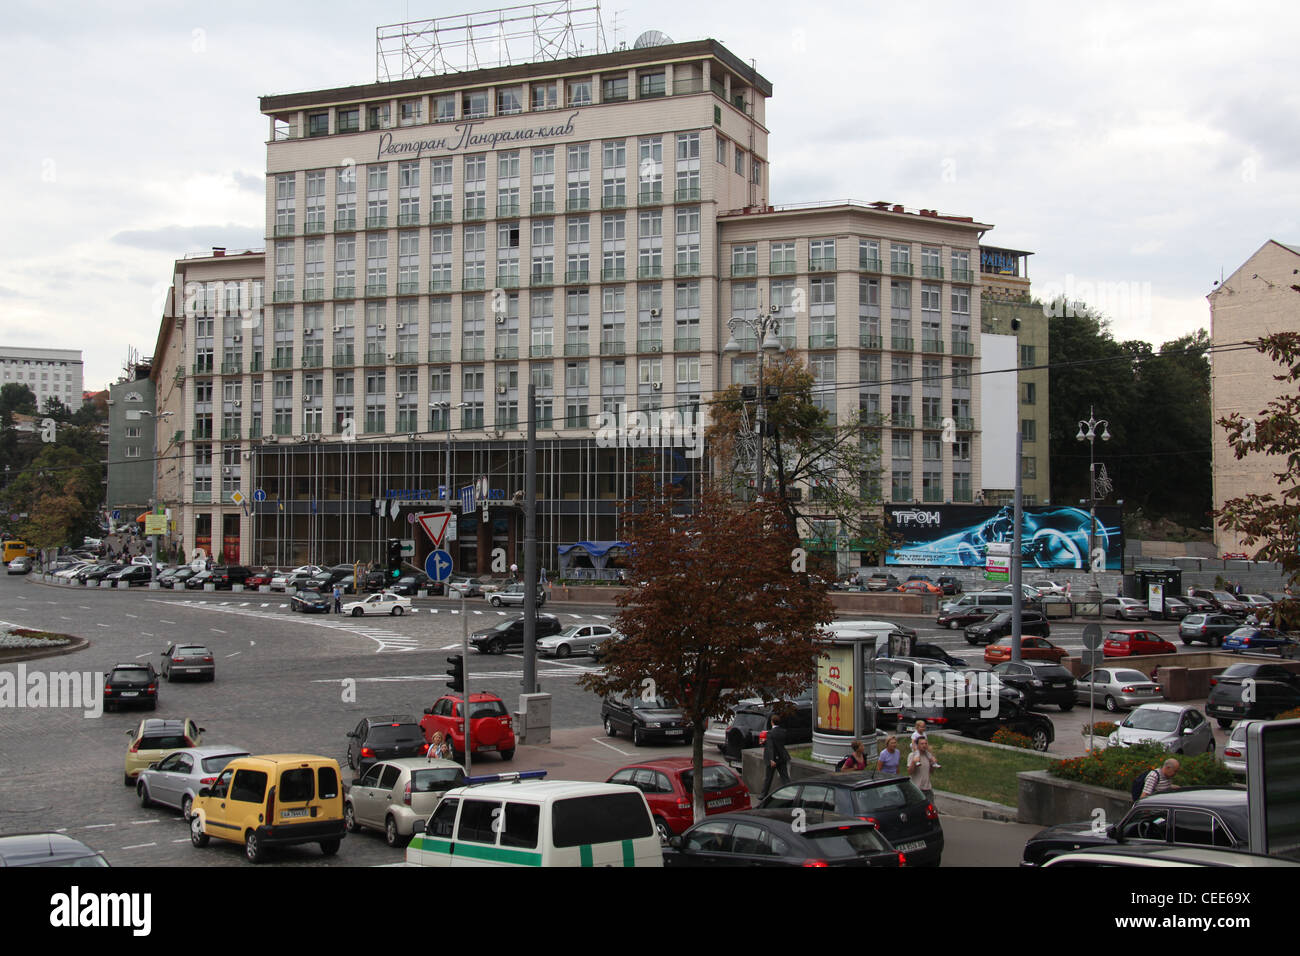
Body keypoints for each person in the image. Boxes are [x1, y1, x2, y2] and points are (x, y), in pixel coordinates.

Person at [761, 713, 791, 799]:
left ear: (772, 722)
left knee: (768, 778)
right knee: (785, 778)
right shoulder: (783, 731)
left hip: (773, 760)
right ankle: (791, 793)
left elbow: (770, 747)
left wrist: (771, 759)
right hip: (782, 758)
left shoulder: (770, 733)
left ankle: (763, 794)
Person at [907, 736, 941, 805]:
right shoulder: (912, 755)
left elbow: (931, 772)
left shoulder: (928, 756)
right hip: (917, 789)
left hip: (927, 788)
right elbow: (909, 772)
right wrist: (913, 762)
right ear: (917, 745)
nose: (924, 745)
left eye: (925, 744)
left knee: (932, 810)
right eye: (922, 744)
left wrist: (932, 764)